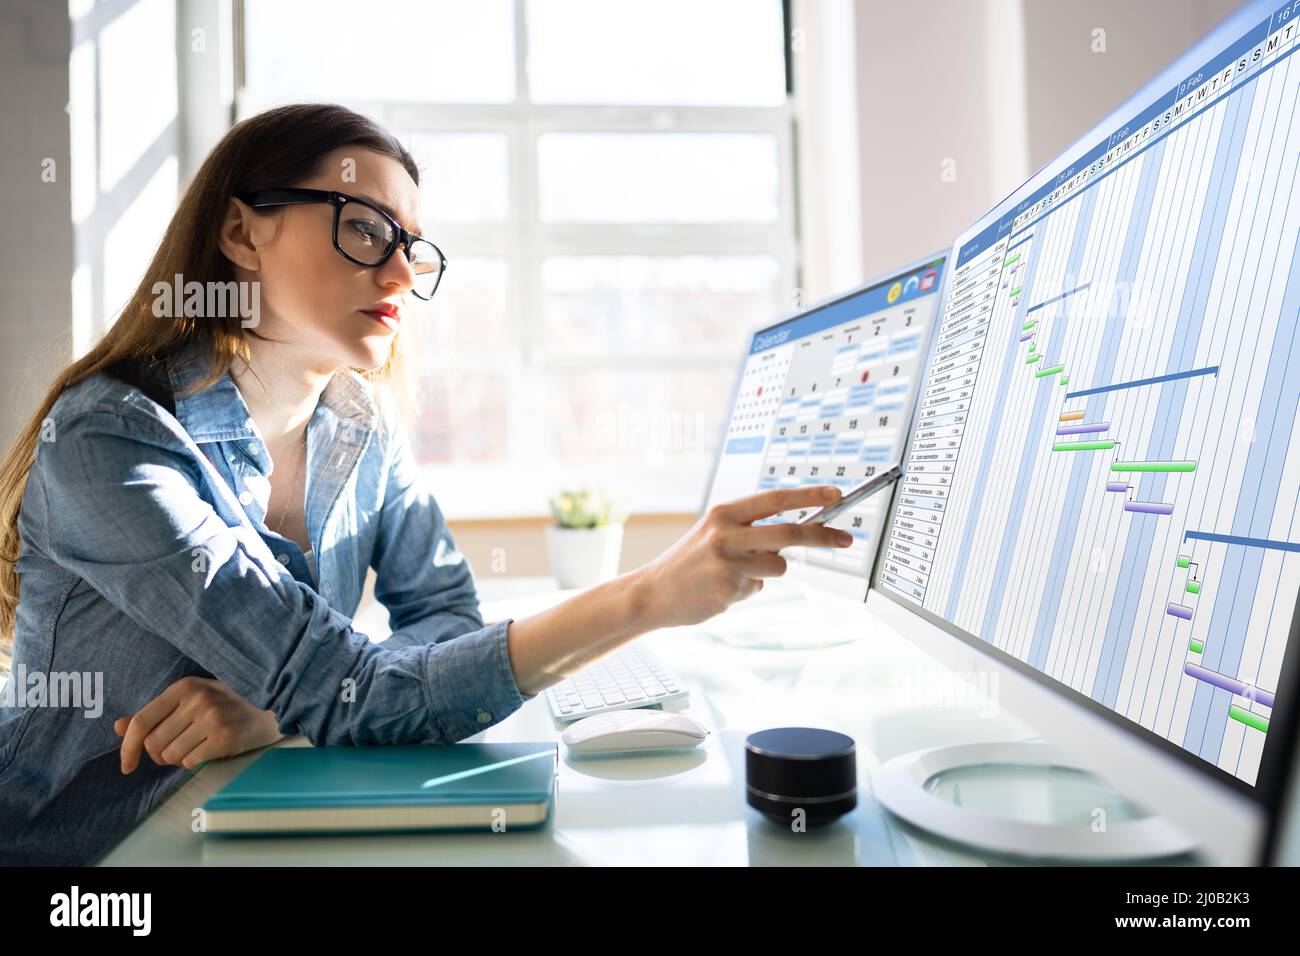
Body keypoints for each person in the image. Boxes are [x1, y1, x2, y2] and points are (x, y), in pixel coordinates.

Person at [0, 103, 853, 865]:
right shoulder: (112, 440)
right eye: (364, 228)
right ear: (240, 232)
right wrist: (652, 596)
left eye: (411, 246)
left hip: (238, 820)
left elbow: (441, 618)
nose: (403, 274)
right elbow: (360, 691)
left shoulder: (361, 426)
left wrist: (285, 709)